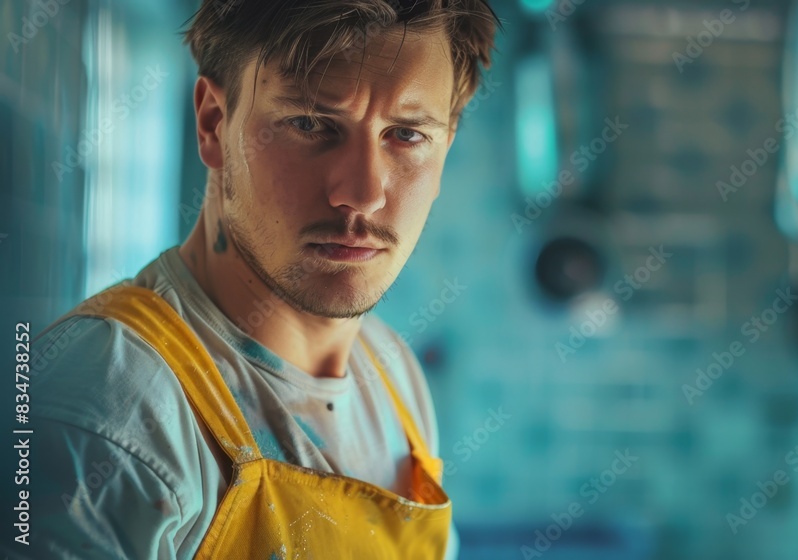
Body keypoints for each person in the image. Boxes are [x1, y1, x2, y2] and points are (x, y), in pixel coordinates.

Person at [10, 1, 498, 558]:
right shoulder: (103, 422)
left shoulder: (393, 374)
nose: (363, 193)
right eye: (311, 124)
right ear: (213, 123)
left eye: (407, 135)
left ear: (448, 143)